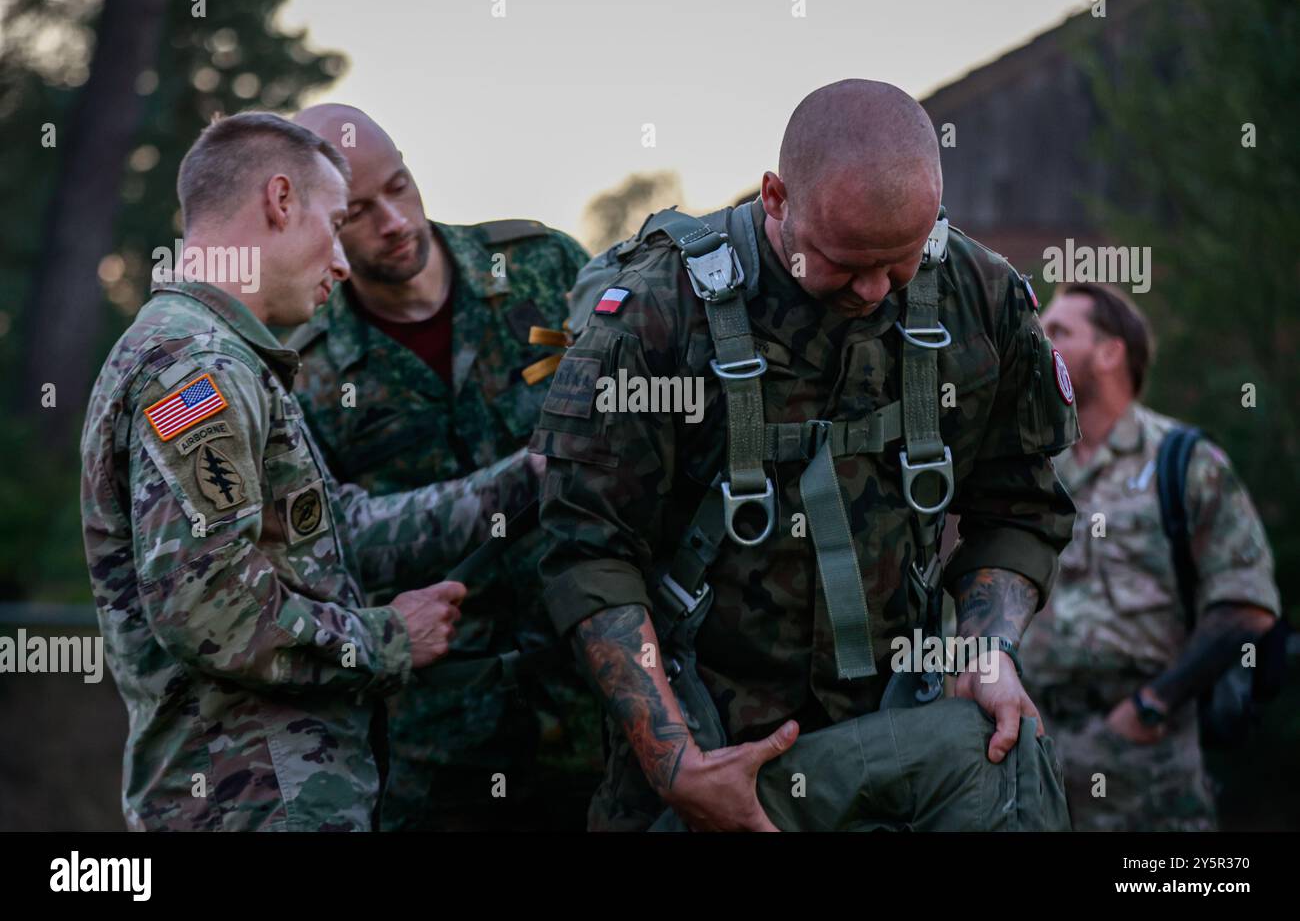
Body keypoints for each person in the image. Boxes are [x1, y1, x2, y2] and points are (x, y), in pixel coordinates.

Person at [530, 79, 1080, 831]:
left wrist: (989, 650)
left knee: (1016, 772)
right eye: (845, 261)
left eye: (902, 261)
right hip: (710, 742)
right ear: (776, 197)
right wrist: (675, 761)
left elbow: (1021, 506)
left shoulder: (980, 301)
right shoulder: (658, 314)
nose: (874, 289)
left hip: (900, 726)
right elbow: (587, 550)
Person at [80, 111, 540, 831]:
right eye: (337, 224)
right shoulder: (199, 370)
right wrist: (388, 639)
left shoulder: (212, 355)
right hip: (252, 802)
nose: (343, 261)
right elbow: (210, 607)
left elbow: (328, 531)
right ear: (280, 200)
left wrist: (523, 482)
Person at [288, 104, 601, 831]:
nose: (394, 221)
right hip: (437, 733)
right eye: (357, 213)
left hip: (593, 686)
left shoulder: (541, 265)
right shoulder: (308, 368)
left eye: (400, 186)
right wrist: (526, 473)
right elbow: (333, 544)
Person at [1019, 281, 1280, 831]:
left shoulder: (1184, 462)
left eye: (1060, 331)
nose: (1041, 341)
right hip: (1033, 764)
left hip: (1148, 771)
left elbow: (1247, 605)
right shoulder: (1031, 472)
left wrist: (1149, 708)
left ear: (1111, 353)